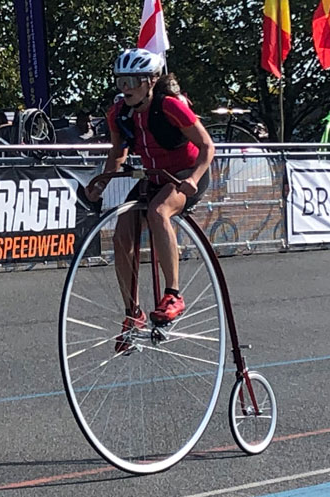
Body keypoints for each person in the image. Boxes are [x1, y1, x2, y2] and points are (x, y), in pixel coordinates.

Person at [85, 48, 215, 352]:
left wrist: (193, 179)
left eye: (132, 81)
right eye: (121, 81)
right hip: (153, 177)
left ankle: (173, 295)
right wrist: (101, 183)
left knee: (159, 211)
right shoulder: (119, 113)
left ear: (152, 80)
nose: (125, 87)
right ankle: (133, 313)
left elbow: (207, 146)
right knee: (121, 235)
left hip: (186, 174)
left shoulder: (170, 107)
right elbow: (118, 153)